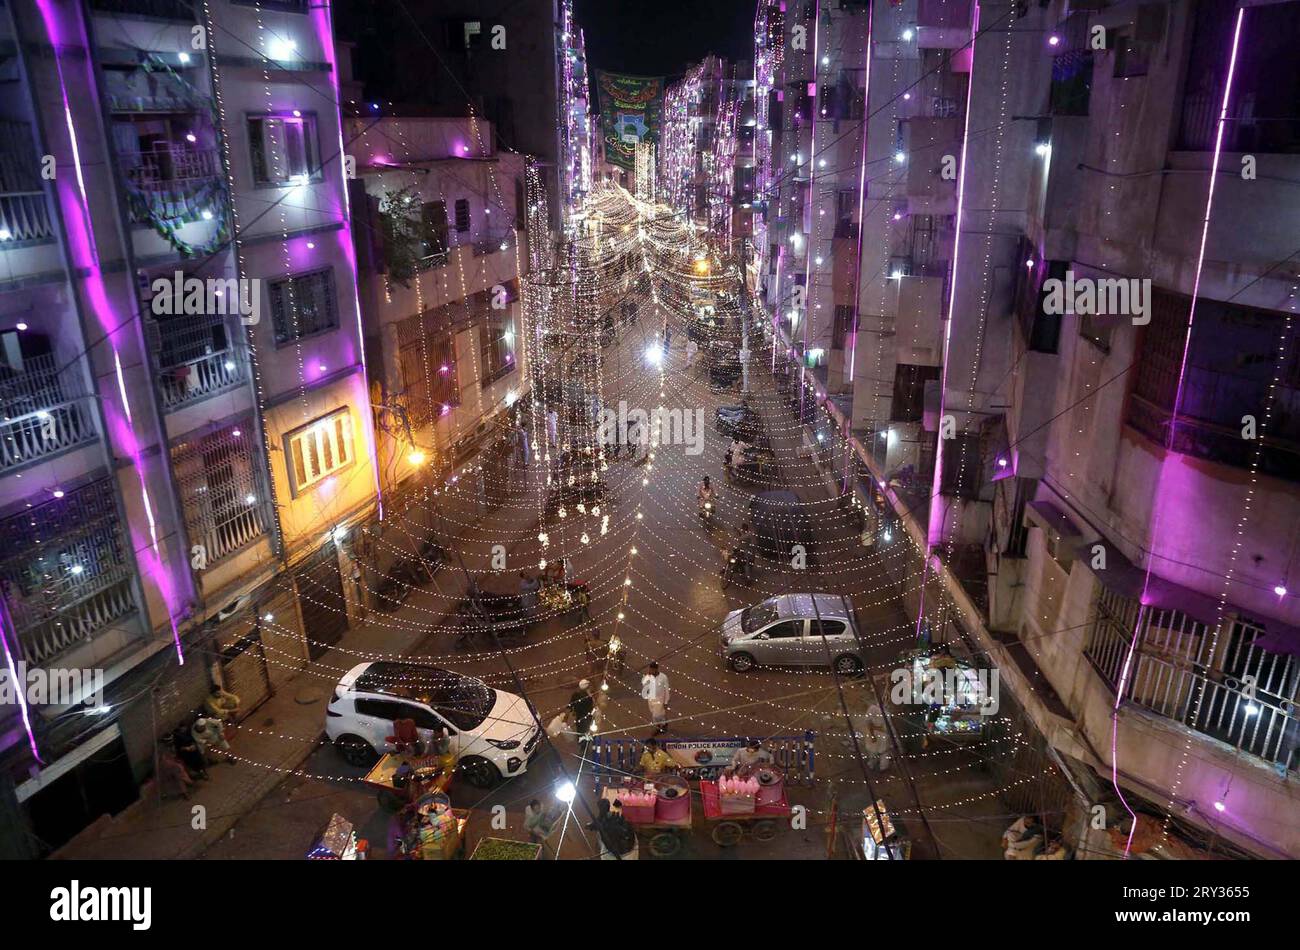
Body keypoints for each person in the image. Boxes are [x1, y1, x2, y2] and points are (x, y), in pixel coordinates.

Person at [641, 662, 671, 735]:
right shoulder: (648, 676)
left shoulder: (663, 677)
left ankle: (659, 727)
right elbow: (643, 683)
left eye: (653, 669)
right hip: (650, 698)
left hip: (660, 699)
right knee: (654, 712)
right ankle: (663, 724)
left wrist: (666, 701)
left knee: (656, 715)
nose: (651, 671)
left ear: (656, 669)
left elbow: (667, 690)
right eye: (650, 669)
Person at [569, 679, 595, 756]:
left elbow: (571, 704)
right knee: (586, 731)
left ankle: (582, 745)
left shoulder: (575, 694)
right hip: (587, 717)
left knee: (580, 731)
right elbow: (591, 707)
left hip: (579, 717)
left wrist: (572, 710)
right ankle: (585, 746)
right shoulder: (588, 697)